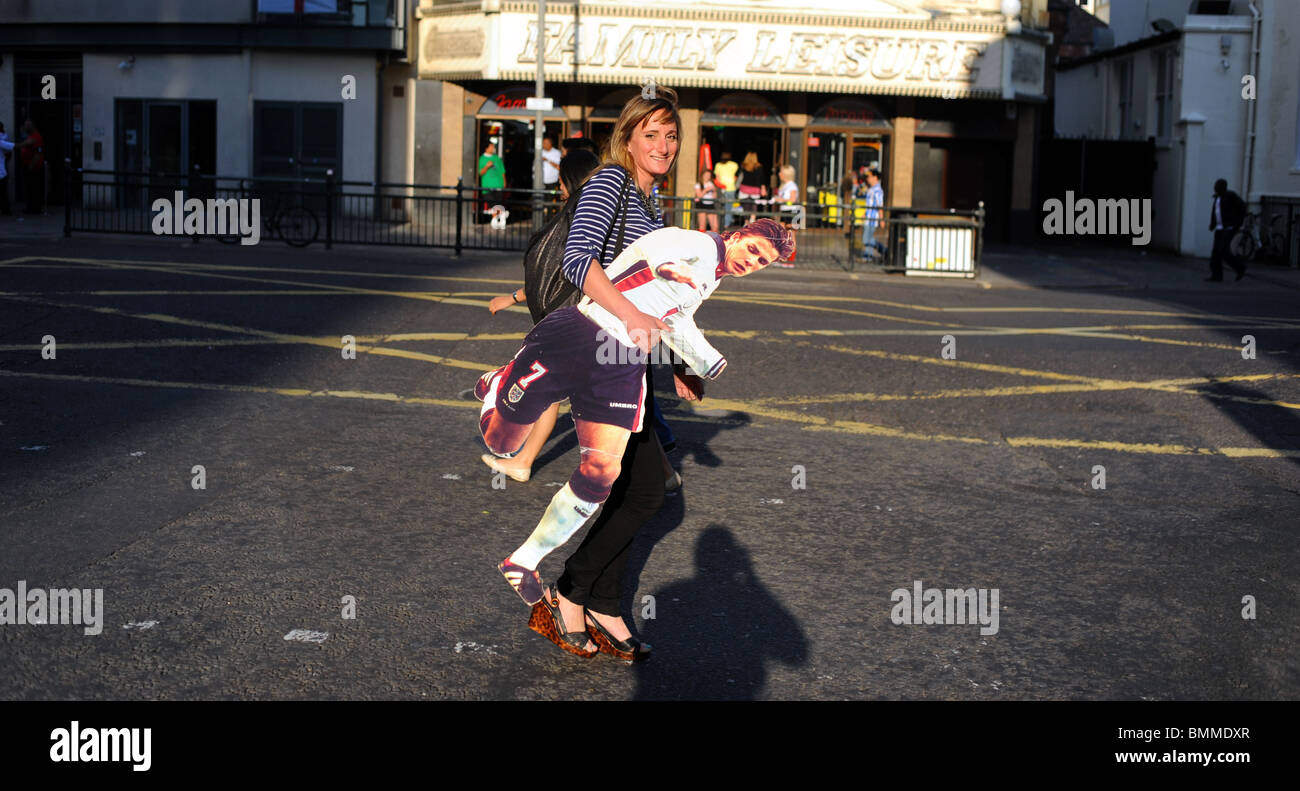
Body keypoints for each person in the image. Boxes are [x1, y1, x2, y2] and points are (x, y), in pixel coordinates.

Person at [478, 220, 795, 654]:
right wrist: (706, 359)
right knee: (502, 441)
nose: (753, 264)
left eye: (764, 263)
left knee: (610, 477)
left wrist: (690, 363)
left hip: (625, 362)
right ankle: (499, 383)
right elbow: (591, 262)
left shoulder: (711, 265)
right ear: (739, 234)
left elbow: (672, 312)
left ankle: (531, 566)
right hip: (584, 336)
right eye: (755, 252)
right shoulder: (672, 228)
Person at [489, 85, 685, 661]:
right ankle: (570, 592)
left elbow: (655, 292)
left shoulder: (651, 204)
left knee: (630, 487)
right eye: (650, 134)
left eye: (671, 135)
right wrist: (633, 318)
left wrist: (676, 360)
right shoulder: (609, 182)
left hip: (631, 361)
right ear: (626, 138)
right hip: (602, 357)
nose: (664, 145)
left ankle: (603, 604)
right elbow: (579, 258)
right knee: (649, 489)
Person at [482, 149, 602, 483]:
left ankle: (523, 462)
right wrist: (514, 297)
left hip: (576, 322)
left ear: (572, 180)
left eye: (563, 182)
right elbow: (554, 275)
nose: (559, 189)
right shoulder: (590, 211)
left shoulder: (583, 217)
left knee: (553, 392)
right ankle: (659, 468)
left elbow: (563, 273)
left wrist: (516, 297)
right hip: (583, 321)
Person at [1208, 178, 1247, 282]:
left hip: (1228, 227)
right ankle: (1217, 276)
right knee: (1216, 252)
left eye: (1217, 186)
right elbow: (1215, 212)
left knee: (1223, 251)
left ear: (1223, 187)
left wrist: (1237, 222)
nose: (1215, 188)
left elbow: (1242, 207)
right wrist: (1212, 223)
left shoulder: (1231, 196)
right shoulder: (1217, 198)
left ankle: (1240, 267)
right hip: (1219, 228)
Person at [18, 120, 44, 215]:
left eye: (26, 125)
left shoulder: (37, 137)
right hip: (28, 166)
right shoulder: (29, 137)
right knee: (29, 188)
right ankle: (30, 206)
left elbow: (38, 153)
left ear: (32, 126)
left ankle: (35, 208)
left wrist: (31, 165)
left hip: (34, 168)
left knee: (34, 188)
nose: (25, 127)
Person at [861, 166, 886, 261]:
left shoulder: (878, 190)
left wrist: (881, 219)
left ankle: (883, 250)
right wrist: (865, 213)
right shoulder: (871, 189)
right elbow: (870, 204)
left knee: (866, 238)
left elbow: (880, 205)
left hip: (873, 219)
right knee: (867, 237)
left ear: (875, 177)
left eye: (870, 177)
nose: (868, 179)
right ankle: (868, 256)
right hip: (868, 217)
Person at [477, 140, 505, 224]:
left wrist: (504, 182)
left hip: (498, 184)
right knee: (491, 204)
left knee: (498, 204)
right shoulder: (481, 159)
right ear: (486, 148)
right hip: (487, 185)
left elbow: (502, 171)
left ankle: (498, 221)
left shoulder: (497, 158)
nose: (493, 148)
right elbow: (480, 173)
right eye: (491, 146)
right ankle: (495, 221)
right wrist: (487, 166)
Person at [737, 151, 767, 223]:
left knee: (745, 205)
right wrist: (763, 188)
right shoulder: (759, 166)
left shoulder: (743, 165)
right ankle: (752, 219)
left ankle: (746, 221)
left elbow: (738, 176)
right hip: (755, 189)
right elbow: (761, 179)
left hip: (744, 188)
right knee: (754, 205)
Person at [713, 151, 739, 228]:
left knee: (720, 205)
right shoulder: (734, 164)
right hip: (731, 188)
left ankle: (720, 223)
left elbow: (717, 178)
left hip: (721, 188)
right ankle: (726, 224)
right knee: (729, 207)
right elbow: (736, 176)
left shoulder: (718, 165)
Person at [694, 168, 719, 233]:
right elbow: (699, 196)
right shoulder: (698, 184)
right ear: (702, 175)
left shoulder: (711, 184)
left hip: (711, 204)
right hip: (702, 205)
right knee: (702, 226)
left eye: (709, 175)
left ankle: (715, 241)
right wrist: (706, 190)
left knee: (715, 227)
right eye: (706, 175)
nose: (707, 177)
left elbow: (714, 197)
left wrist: (714, 191)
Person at [0, 122, 14, 217]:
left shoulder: (2, 138)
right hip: (4, 165)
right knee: (3, 190)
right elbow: (9, 151)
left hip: (2, 166)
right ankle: (5, 209)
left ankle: (5, 209)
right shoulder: (5, 136)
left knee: (3, 190)